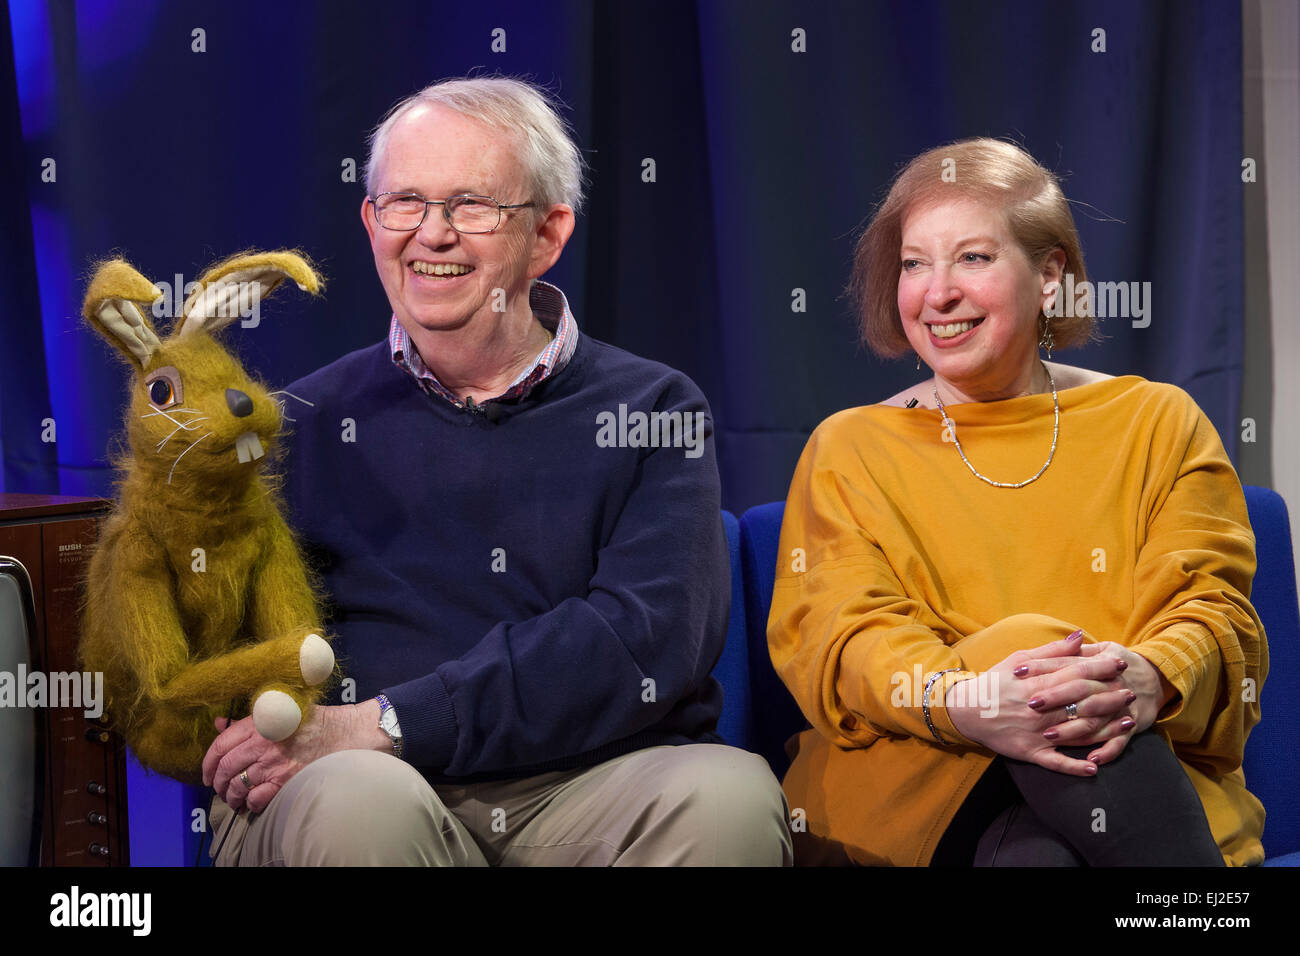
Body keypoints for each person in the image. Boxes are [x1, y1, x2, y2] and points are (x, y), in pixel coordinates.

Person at [202, 76, 791, 866]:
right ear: (371, 221)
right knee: (360, 804)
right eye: (403, 203)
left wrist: (393, 718)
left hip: (587, 782)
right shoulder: (296, 426)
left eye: (471, 205)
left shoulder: (653, 408)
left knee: (729, 800)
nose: (431, 235)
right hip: (351, 778)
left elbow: (645, 642)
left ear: (547, 234)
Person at [768, 137, 1267, 866]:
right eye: (914, 264)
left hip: (1128, 768)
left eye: (973, 257)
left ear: (1051, 277)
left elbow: (1216, 611)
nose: (937, 293)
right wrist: (970, 702)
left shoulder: (1158, 422)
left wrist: (1148, 678)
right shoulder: (851, 447)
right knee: (1024, 647)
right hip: (922, 781)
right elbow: (842, 643)